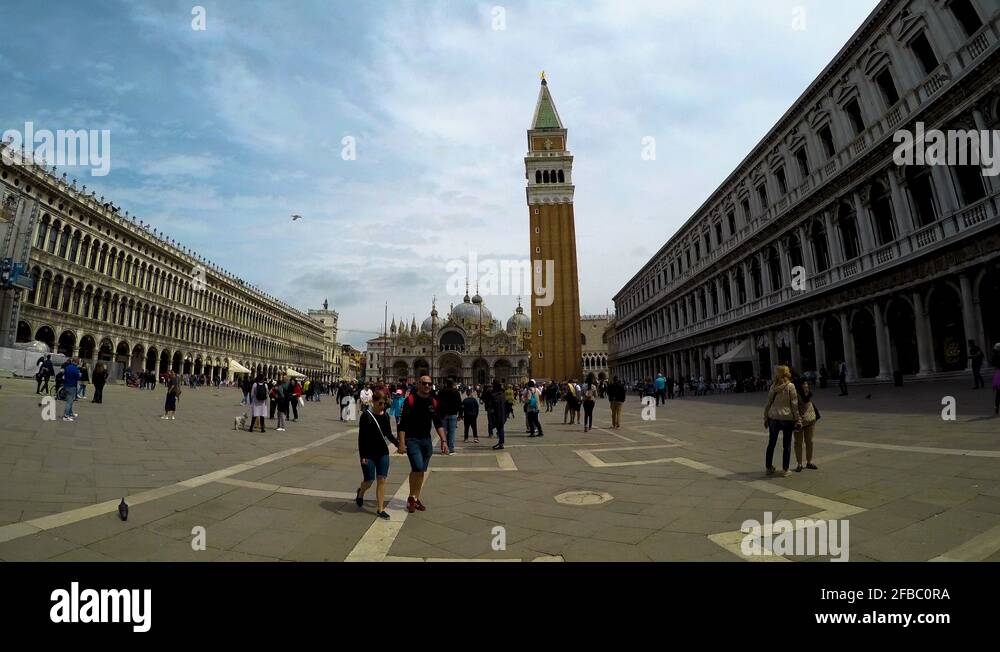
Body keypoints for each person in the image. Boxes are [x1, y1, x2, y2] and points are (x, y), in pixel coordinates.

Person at [396, 375, 447, 514]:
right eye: (424, 383)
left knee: (421, 470)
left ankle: (415, 498)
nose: (427, 386)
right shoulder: (410, 400)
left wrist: (443, 441)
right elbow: (402, 423)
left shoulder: (433, 402)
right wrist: (401, 443)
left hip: (426, 440)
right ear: (418, 384)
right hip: (412, 440)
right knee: (417, 467)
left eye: (429, 384)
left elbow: (438, 423)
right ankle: (412, 497)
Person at [356, 390, 398, 520]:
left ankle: (380, 509)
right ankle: (361, 492)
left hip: (382, 452)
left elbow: (388, 434)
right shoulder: (366, 416)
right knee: (369, 480)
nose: (382, 406)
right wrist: (362, 456)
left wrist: (398, 444)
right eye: (380, 403)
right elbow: (361, 438)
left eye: (384, 404)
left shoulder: (385, 416)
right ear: (373, 402)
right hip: (368, 453)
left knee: (382, 480)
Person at [764, 365, 801, 477]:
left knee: (771, 443)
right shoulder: (790, 386)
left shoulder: (773, 386)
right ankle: (785, 469)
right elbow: (794, 404)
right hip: (786, 417)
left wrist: (765, 417)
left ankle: (769, 467)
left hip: (773, 418)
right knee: (787, 444)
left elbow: (768, 403)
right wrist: (798, 418)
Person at [793, 380, 820, 472]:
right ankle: (799, 463)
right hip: (797, 419)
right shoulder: (794, 394)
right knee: (798, 442)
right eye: (804, 384)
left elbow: (807, 401)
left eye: (806, 383)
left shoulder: (808, 393)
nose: (806, 385)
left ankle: (809, 462)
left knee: (810, 441)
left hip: (809, 418)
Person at [438, 378, 462, 455]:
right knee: (452, 432)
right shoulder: (456, 392)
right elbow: (459, 404)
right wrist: (460, 414)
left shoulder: (441, 392)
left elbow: (437, 403)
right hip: (453, 414)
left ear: (446, 384)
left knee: (443, 432)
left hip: (443, 414)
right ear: (452, 384)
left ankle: (443, 448)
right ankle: (451, 449)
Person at [488, 380, 507, 450]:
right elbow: (506, 404)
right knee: (501, 428)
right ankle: (501, 443)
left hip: (496, 415)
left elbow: (490, 406)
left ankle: (501, 443)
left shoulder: (493, 395)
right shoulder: (502, 394)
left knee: (500, 429)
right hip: (503, 414)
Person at [61, 358, 80, 422]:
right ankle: (66, 416)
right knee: (69, 402)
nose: (79, 363)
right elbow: (77, 377)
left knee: (70, 401)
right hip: (72, 386)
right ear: (76, 362)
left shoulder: (67, 367)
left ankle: (70, 413)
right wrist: (79, 375)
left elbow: (64, 375)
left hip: (66, 385)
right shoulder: (75, 369)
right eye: (78, 362)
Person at [992, 344, 1000, 416]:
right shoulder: (997, 355)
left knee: (998, 392)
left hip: (998, 373)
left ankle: (996, 407)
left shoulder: (994, 356)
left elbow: (993, 364)